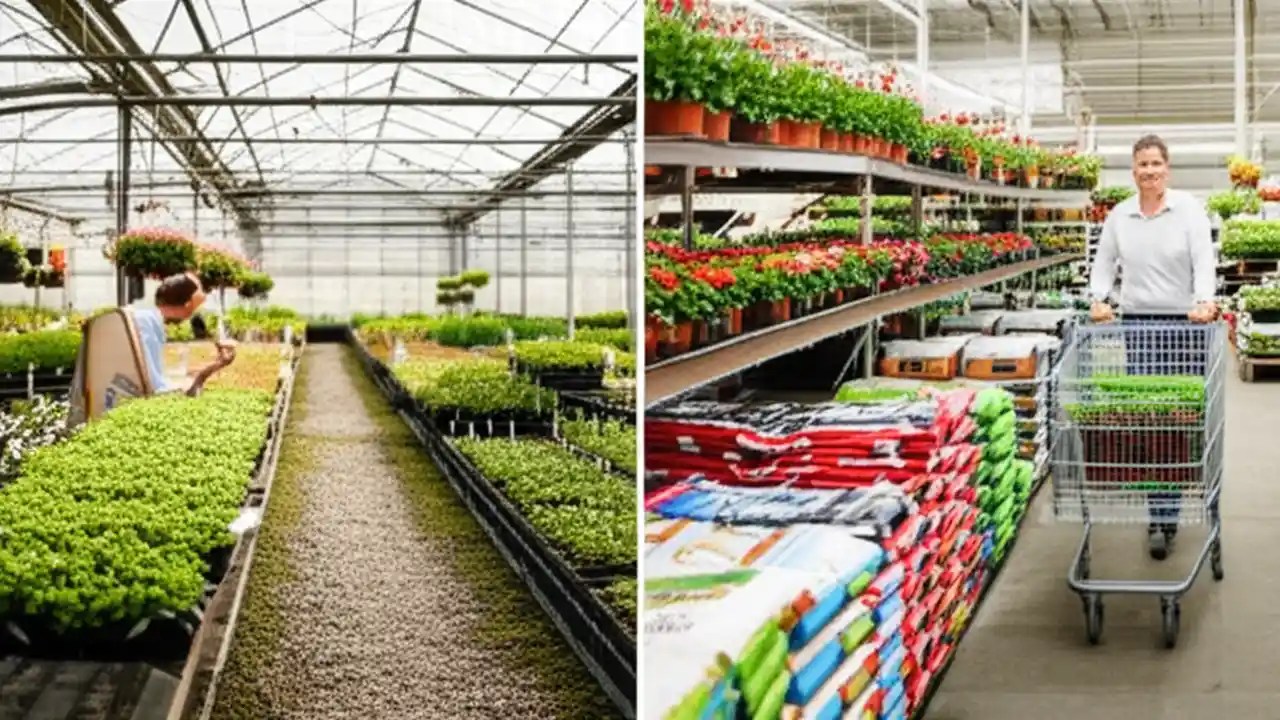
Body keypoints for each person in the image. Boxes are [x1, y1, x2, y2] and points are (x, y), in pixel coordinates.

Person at [1087, 134, 1217, 561]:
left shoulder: (1188, 211)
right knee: (1149, 420)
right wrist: (1099, 297)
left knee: (1178, 419)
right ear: (1133, 170)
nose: (1150, 171)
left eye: (1156, 164)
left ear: (1168, 169)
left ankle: (1168, 510)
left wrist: (1204, 300)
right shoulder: (1120, 216)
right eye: (1142, 164)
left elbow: (1204, 260)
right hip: (1139, 326)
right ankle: (1159, 513)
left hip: (1184, 326)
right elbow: (1104, 261)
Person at [135, 272, 237, 396]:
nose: (190, 315)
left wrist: (215, 365)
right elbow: (156, 390)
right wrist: (209, 370)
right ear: (187, 305)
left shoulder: (142, 318)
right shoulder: (148, 325)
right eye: (191, 310)